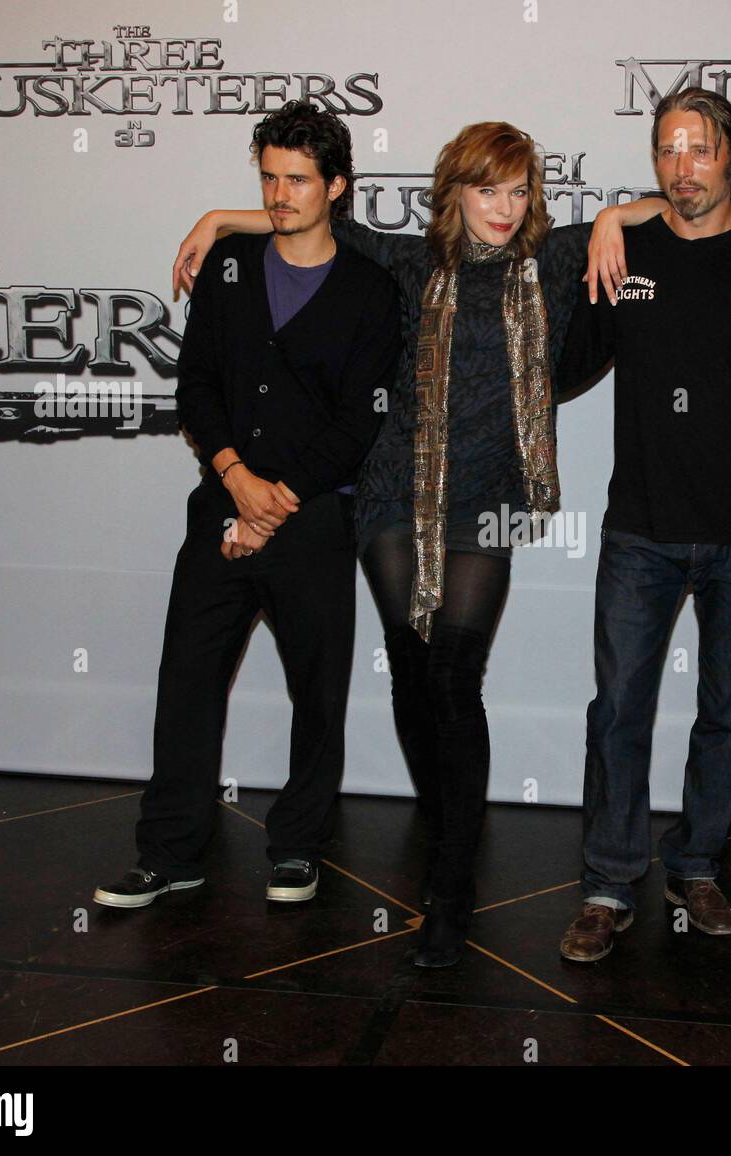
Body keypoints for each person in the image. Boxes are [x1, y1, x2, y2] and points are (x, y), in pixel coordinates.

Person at [173, 121, 657, 966]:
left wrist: (619, 213)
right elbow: (310, 221)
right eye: (486, 191)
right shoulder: (408, 262)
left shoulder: (548, 264)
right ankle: (445, 827)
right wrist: (221, 217)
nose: (504, 210)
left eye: (518, 192)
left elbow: (669, 212)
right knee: (411, 668)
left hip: (486, 503)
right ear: (454, 193)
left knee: (454, 676)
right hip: (397, 491)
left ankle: (450, 885)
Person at [95, 103, 401, 909]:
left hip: (315, 517)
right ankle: (170, 852)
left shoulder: (371, 289)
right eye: (268, 177)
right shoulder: (229, 270)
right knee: (186, 681)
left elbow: (362, 416)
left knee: (318, 689)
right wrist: (235, 480)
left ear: (335, 186)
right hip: (220, 502)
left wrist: (279, 502)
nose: (279, 194)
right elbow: (194, 384)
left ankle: (298, 846)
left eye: (297, 179)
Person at [555, 88, 731, 962]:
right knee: (618, 709)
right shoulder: (625, 250)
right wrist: (594, 229)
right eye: (667, 150)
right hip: (642, 528)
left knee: (727, 714)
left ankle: (697, 865)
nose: (682, 167)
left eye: (700, 149)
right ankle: (606, 883)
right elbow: (565, 365)